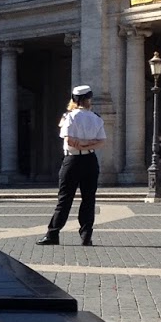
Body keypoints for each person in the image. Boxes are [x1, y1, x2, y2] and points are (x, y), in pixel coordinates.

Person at [37, 85, 106, 247]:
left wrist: (80, 145)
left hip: (72, 160)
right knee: (89, 199)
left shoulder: (69, 117)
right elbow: (102, 142)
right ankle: (86, 236)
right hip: (90, 160)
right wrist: (88, 145)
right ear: (89, 99)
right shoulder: (96, 117)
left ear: (74, 100)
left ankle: (53, 234)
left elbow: (69, 141)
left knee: (64, 199)